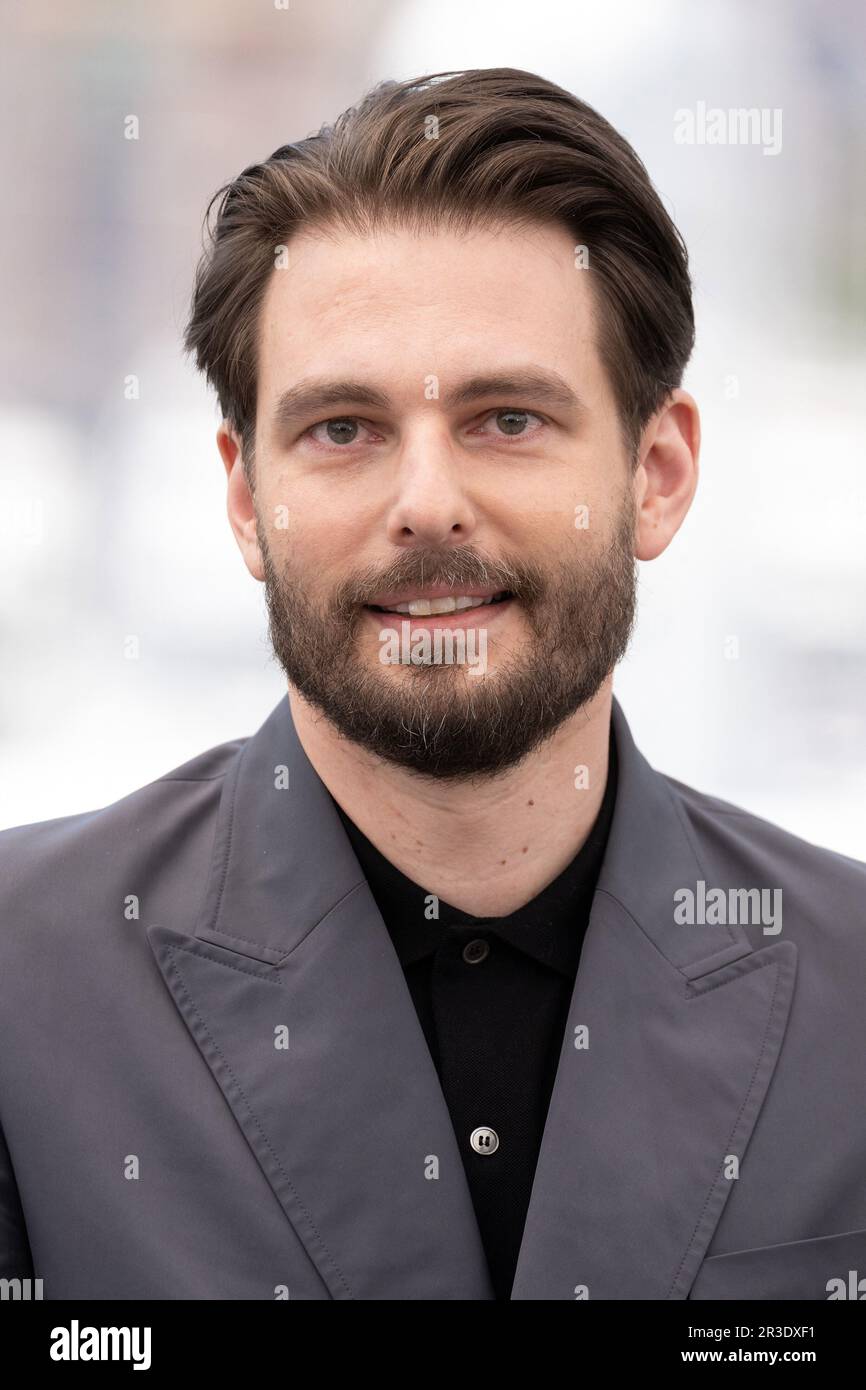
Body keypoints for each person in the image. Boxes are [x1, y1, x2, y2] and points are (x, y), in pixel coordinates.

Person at [1, 68, 864, 1302]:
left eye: (506, 418)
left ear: (656, 472)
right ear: (247, 498)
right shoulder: (19, 982)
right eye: (342, 429)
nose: (424, 507)